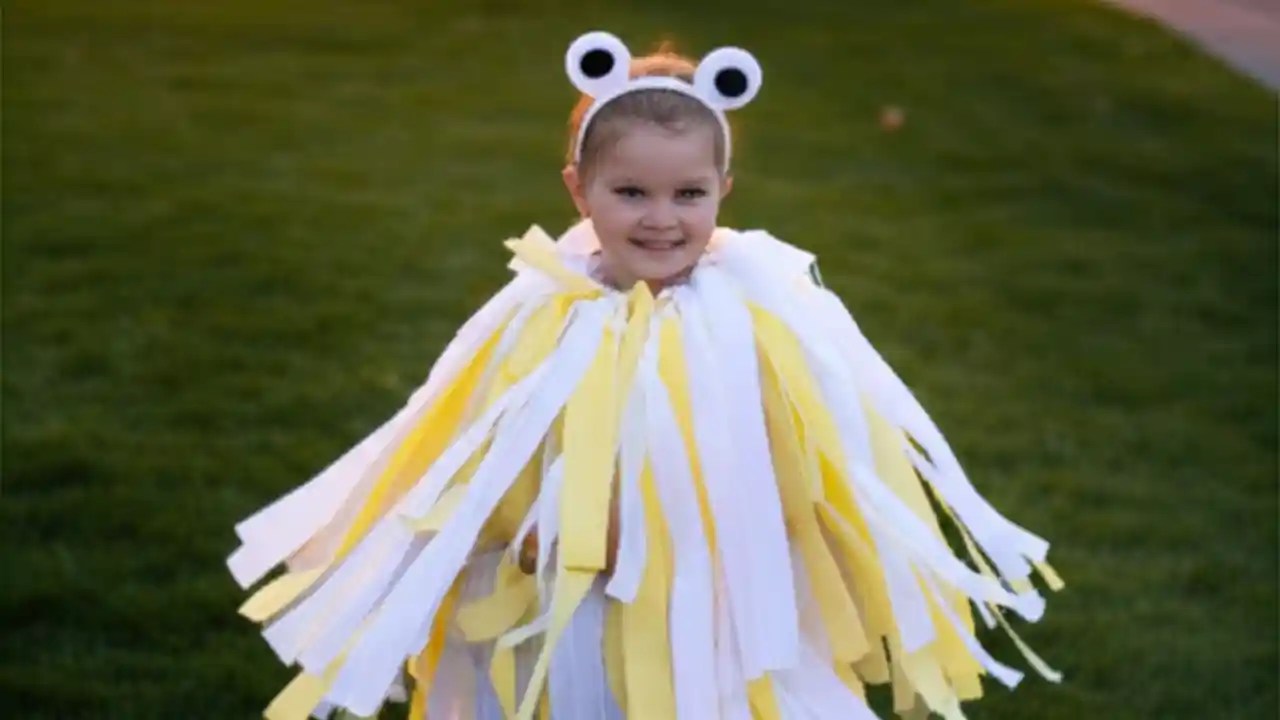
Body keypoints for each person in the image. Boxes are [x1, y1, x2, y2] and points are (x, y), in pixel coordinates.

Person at [227, 30, 1064, 720]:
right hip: (558, 610)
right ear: (578, 189)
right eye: (630, 191)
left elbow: (812, 455)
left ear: (723, 190)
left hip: (712, 618)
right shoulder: (538, 312)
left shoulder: (757, 318)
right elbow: (477, 443)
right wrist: (529, 530)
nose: (662, 219)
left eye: (688, 194)